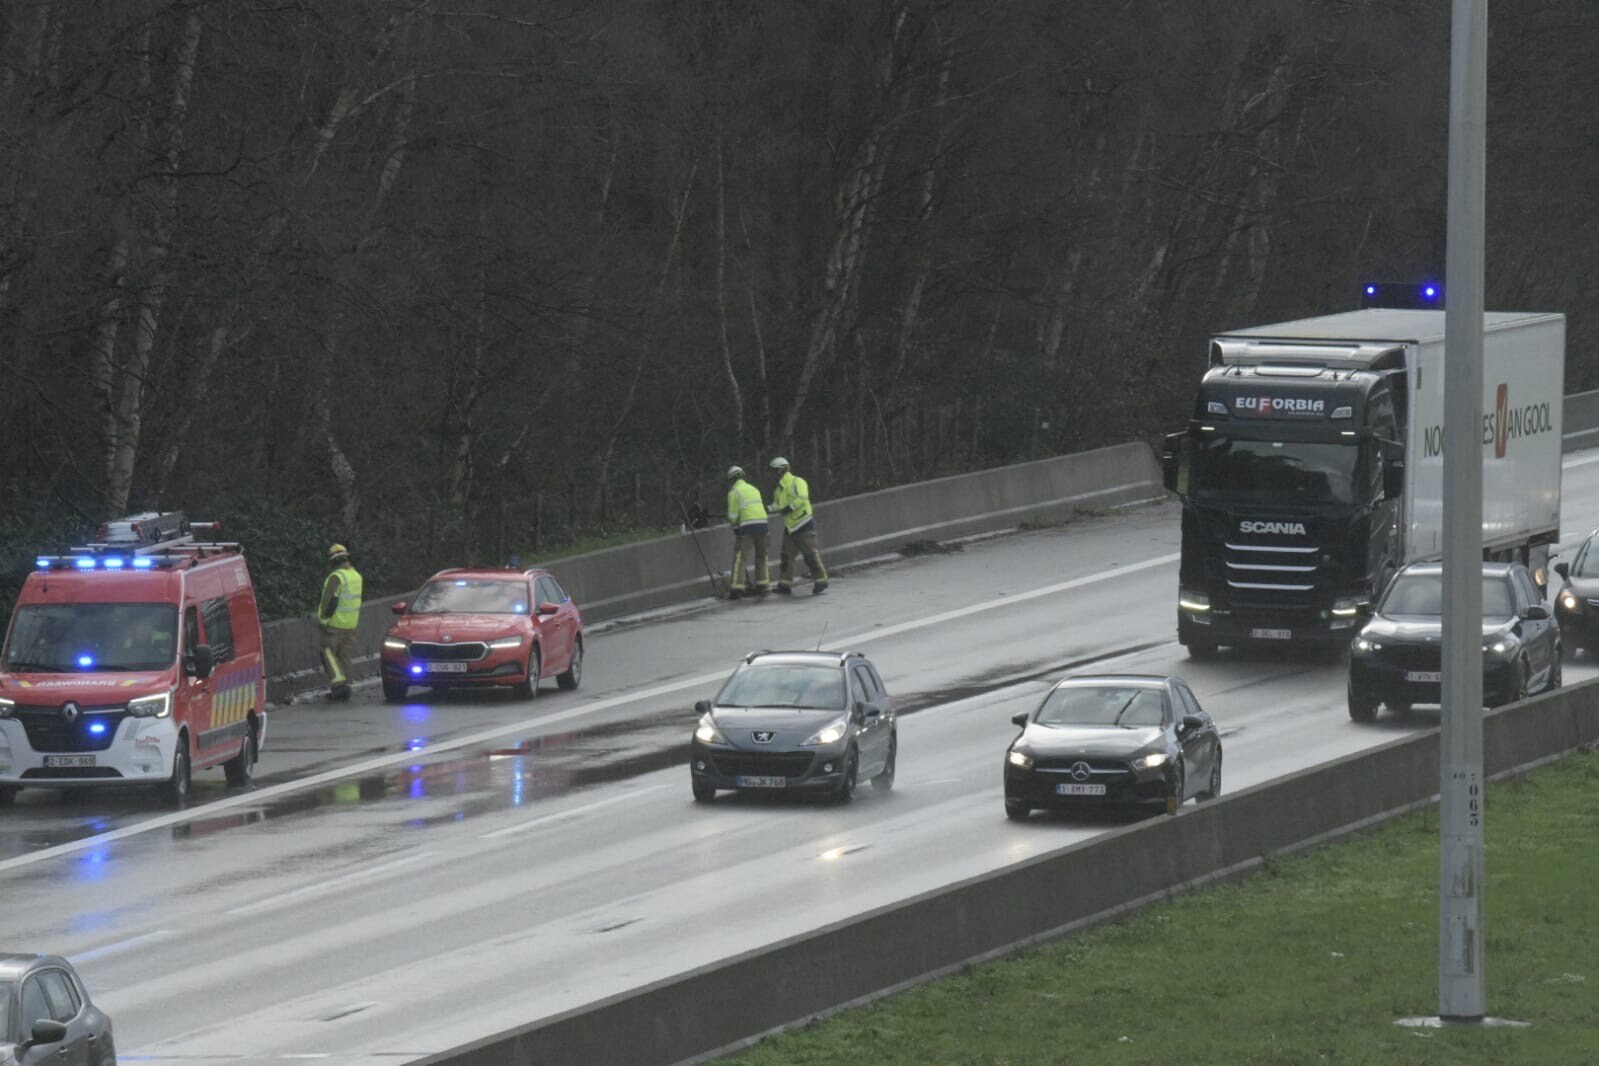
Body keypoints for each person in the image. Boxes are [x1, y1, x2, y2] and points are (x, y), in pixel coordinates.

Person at [767, 456, 830, 595]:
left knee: (810, 554)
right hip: (790, 527)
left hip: (803, 523)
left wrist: (788, 508)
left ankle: (821, 580)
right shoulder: (778, 490)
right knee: (786, 556)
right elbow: (778, 505)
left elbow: (802, 499)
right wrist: (768, 509)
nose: (771, 474)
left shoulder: (797, 482)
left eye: (773, 471)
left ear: (780, 470)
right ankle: (785, 584)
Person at [317, 543, 364, 700]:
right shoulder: (356, 576)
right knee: (344, 655)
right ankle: (346, 686)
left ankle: (338, 686)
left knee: (327, 652)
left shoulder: (336, 577)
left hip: (335, 625)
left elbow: (329, 601)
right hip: (351, 625)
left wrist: (323, 620)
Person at [724, 466, 770, 599]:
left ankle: (737, 588)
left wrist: (735, 526)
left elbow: (733, 516)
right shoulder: (754, 489)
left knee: (740, 558)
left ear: (731, 479)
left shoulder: (734, 492)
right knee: (762, 556)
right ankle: (762, 584)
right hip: (763, 525)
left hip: (747, 527)